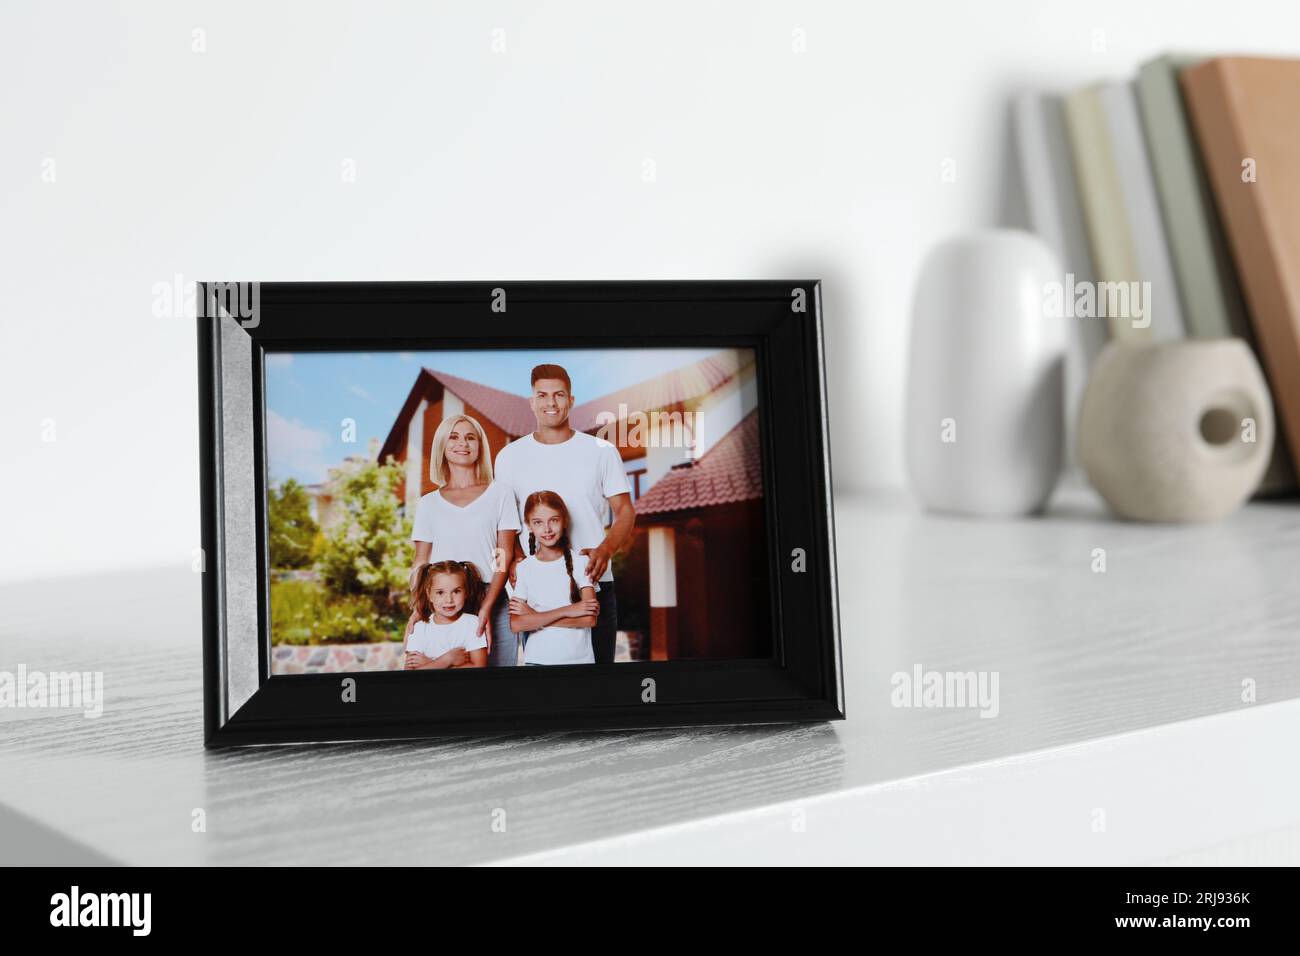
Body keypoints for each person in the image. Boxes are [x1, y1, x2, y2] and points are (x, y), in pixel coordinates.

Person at [494, 364, 635, 664]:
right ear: (531, 402)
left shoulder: (601, 450)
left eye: (559, 395)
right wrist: (517, 557)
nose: (551, 403)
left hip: (593, 581)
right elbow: (503, 521)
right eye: (542, 395)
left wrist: (606, 549)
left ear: (571, 401)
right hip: (537, 587)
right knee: (542, 685)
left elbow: (625, 512)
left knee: (597, 688)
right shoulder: (508, 457)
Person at [408, 414, 521, 665]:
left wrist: (486, 607)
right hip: (442, 603)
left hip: (490, 595)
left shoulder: (501, 494)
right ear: (442, 446)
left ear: (480, 446)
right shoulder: (428, 504)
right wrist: (418, 606)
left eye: (471, 437)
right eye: (454, 437)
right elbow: (420, 561)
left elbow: (504, 555)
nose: (463, 443)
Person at [508, 491, 600, 665]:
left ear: (564, 521)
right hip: (537, 660)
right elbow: (517, 624)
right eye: (538, 522)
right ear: (528, 525)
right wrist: (567, 611)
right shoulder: (525, 568)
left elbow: (589, 619)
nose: (547, 529)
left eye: (554, 520)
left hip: (580, 662)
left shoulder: (582, 563)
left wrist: (535, 617)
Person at [404, 561, 488, 669]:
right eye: (440, 593)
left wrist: (430, 664)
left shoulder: (473, 623)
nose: (449, 600)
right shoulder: (419, 628)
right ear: (429, 594)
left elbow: (479, 667)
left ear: (466, 592)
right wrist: (448, 659)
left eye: (456, 591)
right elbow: (410, 676)